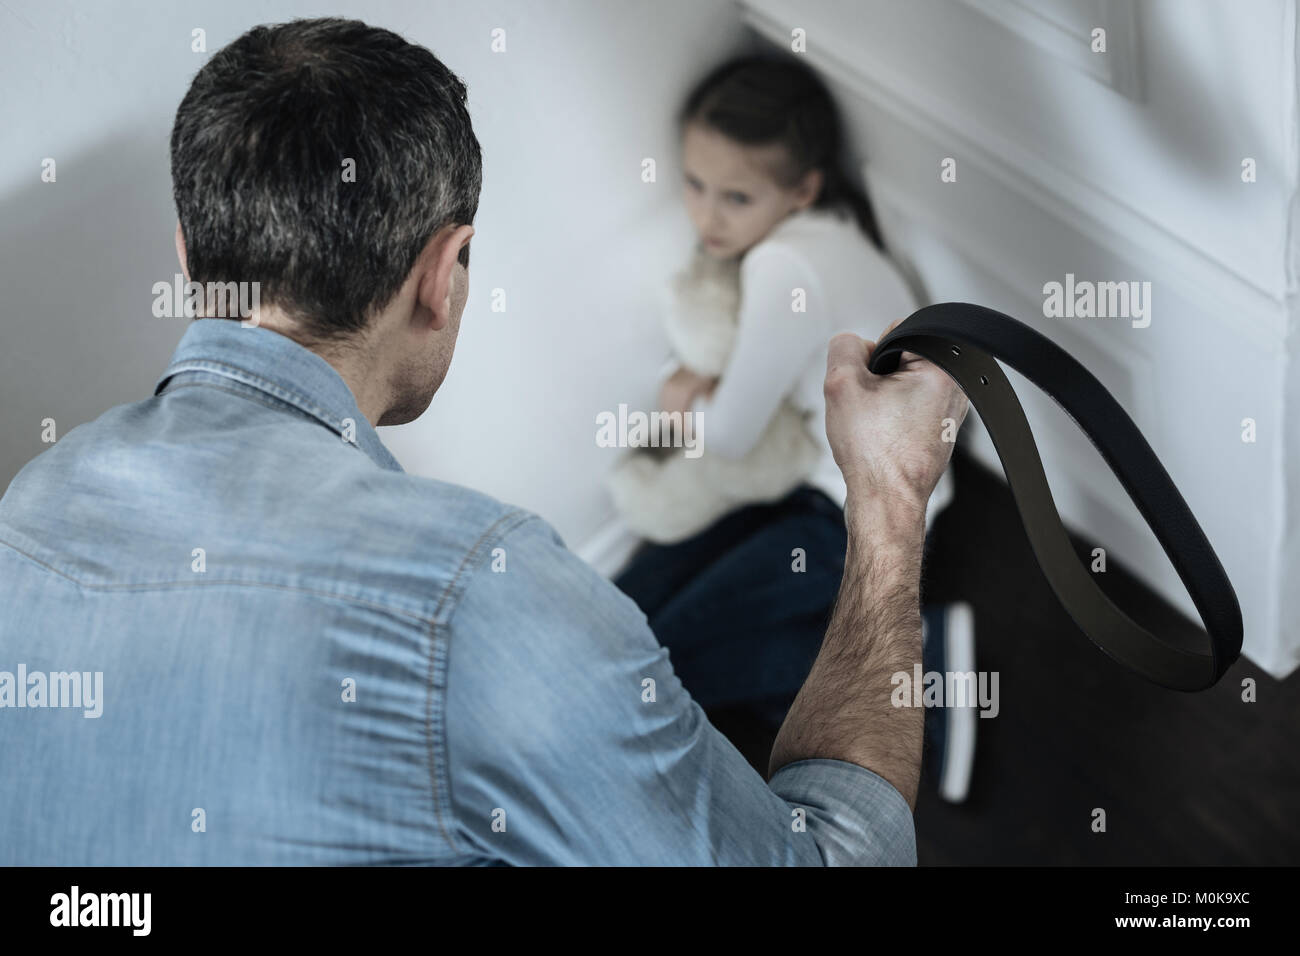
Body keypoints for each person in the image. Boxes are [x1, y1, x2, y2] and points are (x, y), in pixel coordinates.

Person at [0, 18, 967, 865]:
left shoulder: (30, 503)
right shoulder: (481, 595)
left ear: (187, 252)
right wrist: (888, 494)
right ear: (445, 270)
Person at [613, 55, 957, 753]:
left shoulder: (782, 267)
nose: (707, 216)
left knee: (660, 661)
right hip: (830, 479)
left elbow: (733, 438)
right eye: (695, 184)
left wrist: (680, 402)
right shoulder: (830, 228)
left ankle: (927, 670)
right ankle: (795, 692)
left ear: (801, 189)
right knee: (637, 609)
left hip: (855, 510)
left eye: (737, 198)